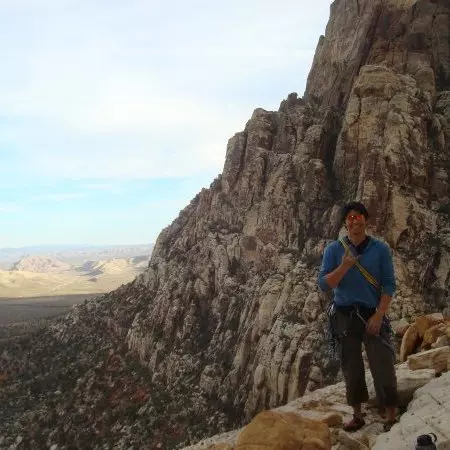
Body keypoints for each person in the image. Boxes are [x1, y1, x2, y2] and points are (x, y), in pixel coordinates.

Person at [318, 201, 398, 432]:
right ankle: (357, 414)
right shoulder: (334, 250)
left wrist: (380, 314)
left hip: (372, 314)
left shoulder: (380, 249)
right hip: (344, 315)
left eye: (359, 216)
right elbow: (324, 284)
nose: (355, 221)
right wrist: (344, 266)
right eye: (350, 217)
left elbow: (389, 285)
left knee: (382, 363)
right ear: (345, 223)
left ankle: (390, 413)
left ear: (366, 219)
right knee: (351, 366)